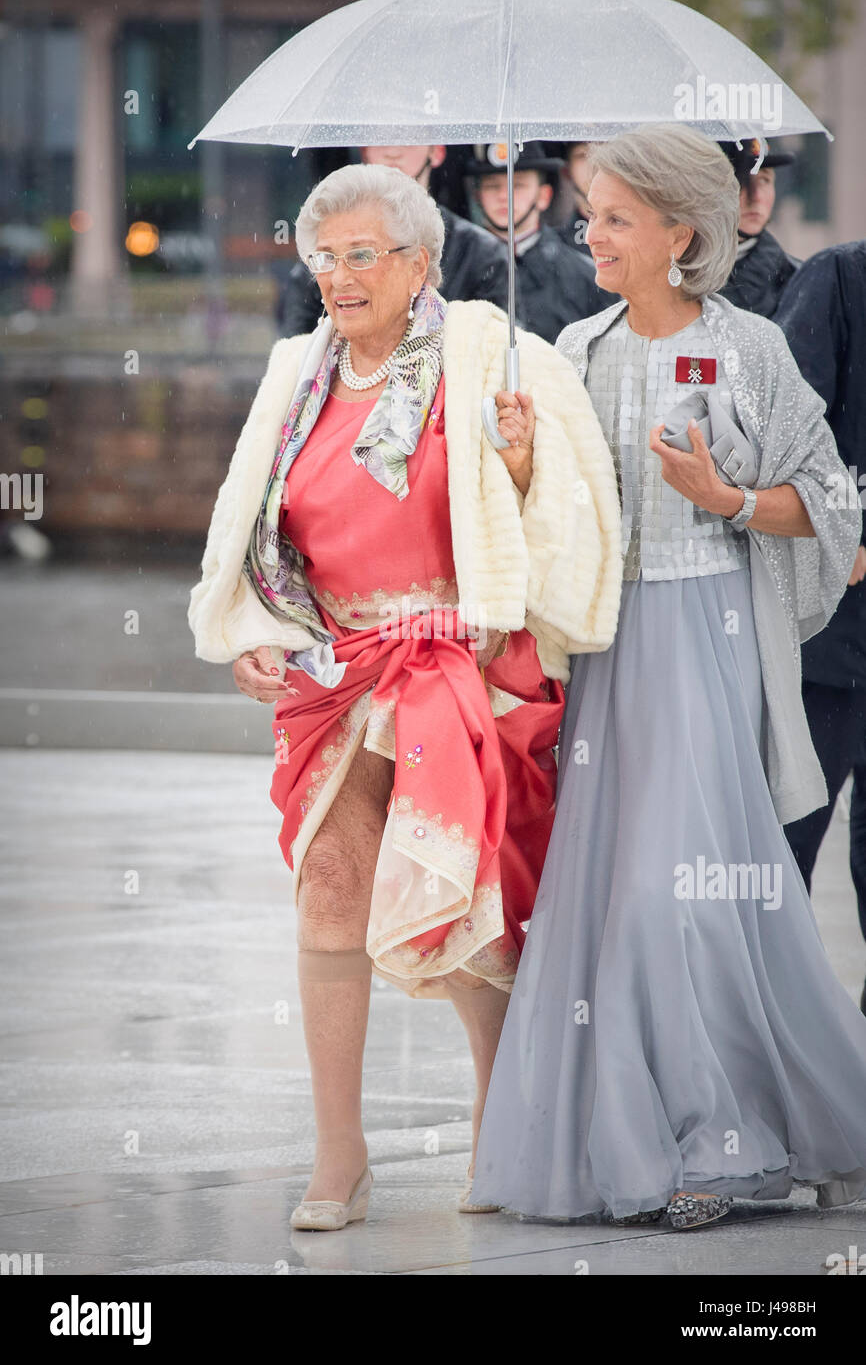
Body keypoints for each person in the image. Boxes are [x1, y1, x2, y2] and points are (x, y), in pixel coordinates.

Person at [188, 163, 622, 1231]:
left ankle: (494, 1123)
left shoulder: (491, 352)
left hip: (455, 666)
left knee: (467, 899)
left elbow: (570, 520)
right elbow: (251, 530)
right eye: (322, 257)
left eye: (360, 255)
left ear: (420, 261)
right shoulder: (296, 372)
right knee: (329, 883)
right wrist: (254, 632)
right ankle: (340, 1153)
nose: (336, 276)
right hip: (334, 670)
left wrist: (519, 464)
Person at [468, 123, 866, 1230]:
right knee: (601, 896)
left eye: (611, 218)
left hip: (707, 639)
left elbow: (829, 505)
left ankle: (717, 1142)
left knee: (672, 891)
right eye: (589, 212)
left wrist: (724, 498)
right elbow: (561, 514)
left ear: (679, 234)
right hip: (605, 650)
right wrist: (520, 462)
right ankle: (663, 1130)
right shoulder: (577, 348)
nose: (585, 233)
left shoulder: (749, 349)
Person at [776, 240, 866, 1016]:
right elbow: (785, 433)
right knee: (785, 845)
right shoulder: (836, 279)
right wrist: (842, 528)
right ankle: (774, 1032)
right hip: (827, 642)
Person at [275, 144, 510, 335]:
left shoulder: (482, 253)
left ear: (437, 151)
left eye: (407, 138)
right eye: (380, 138)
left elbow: (494, 346)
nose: (393, 151)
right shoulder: (322, 255)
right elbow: (298, 342)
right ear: (365, 152)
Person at [465, 141, 612, 345]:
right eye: (492, 185)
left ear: (544, 196)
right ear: (477, 196)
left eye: (518, 185)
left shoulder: (584, 276)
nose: (503, 196)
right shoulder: (458, 264)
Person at [718, 137, 800, 319]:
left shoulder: (797, 280)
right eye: (741, 180)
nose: (756, 196)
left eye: (764, 180)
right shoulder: (672, 272)